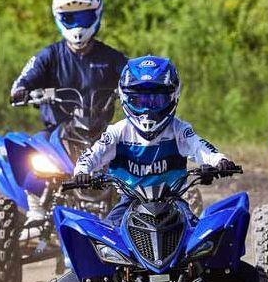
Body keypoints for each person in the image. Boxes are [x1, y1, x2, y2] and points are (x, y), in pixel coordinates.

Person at [10, 0, 128, 223]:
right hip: (57, 133)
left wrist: (141, 88)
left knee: (138, 154)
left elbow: (133, 76)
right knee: (32, 150)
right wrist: (22, 91)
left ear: (97, 15)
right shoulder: (49, 56)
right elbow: (22, 82)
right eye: (70, 18)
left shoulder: (112, 57)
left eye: (84, 17)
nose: (78, 25)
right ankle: (37, 211)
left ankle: (138, 207)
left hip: (101, 131)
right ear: (58, 18)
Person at [72, 55, 237, 227]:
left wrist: (220, 160)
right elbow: (92, 154)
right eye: (139, 101)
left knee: (197, 236)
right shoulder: (118, 132)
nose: (147, 109)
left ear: (173, 97)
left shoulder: (179, 130)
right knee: (106, 237)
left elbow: (200, 147)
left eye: (156, 100)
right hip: (129, 202)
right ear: (125, 98)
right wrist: (82, 172)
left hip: (173, 201)